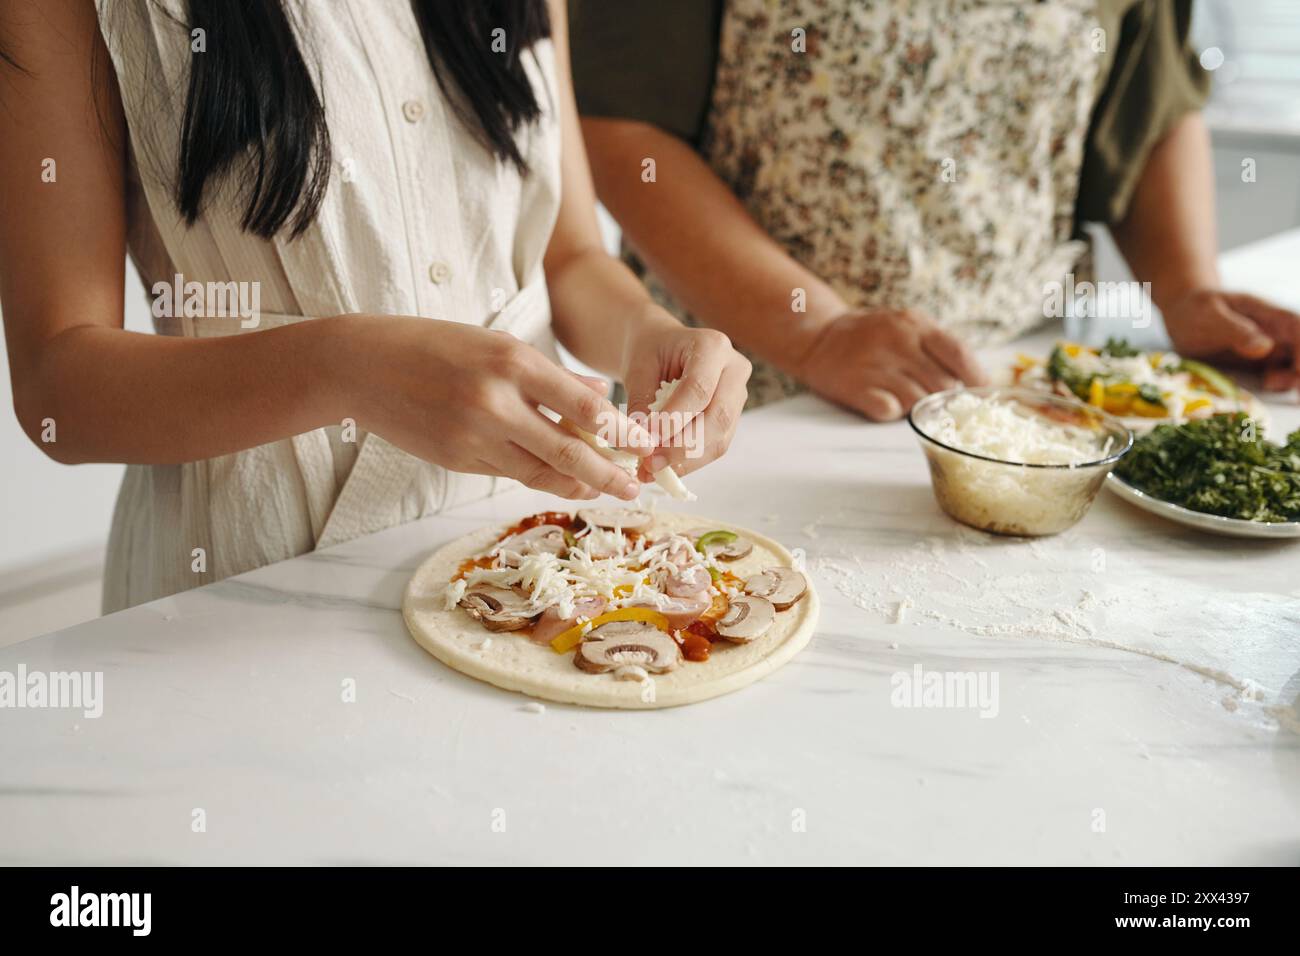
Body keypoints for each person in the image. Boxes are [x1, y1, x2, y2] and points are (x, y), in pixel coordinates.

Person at [0, 0, 750, 612]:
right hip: (250, 584)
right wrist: (350, 369)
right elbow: (56, 384)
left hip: (535, 559)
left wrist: (649, 332)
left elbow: (571, 257)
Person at [570, 0, 1300, 421]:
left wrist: (1186, 290)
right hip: (749, 389)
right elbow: (620, 127)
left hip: (1029, 382)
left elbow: (1152, 105)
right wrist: (817, 334)